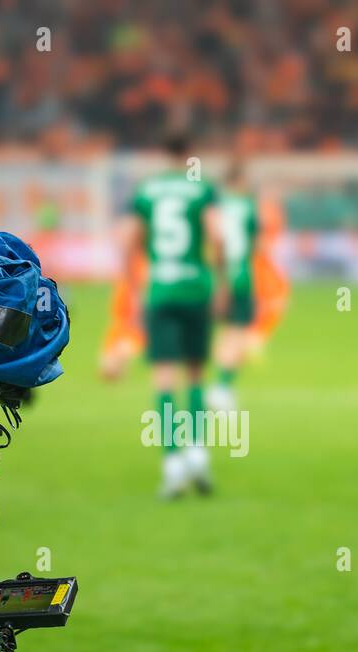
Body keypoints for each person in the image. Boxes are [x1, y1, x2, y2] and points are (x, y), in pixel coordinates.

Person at [125, 133, 225, 498]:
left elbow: (129, 241)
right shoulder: (202, 190)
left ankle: (172, 464)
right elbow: (219, 236)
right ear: (190, 155)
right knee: (196, 372)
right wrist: (223, 282)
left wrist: (134, 288)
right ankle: (197, 453)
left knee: (164, 378)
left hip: (161, 290)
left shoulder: (148, 191)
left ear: (164, 154)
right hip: (196, 288)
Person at [207, 160, 258, 414]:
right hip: (238, 276)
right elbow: (252, 242)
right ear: (239, 181)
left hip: (212, 276)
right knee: (236, 333)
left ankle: (215, 387)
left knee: (222, 333)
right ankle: (222, 389)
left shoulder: (214, 206)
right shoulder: (247, 205)